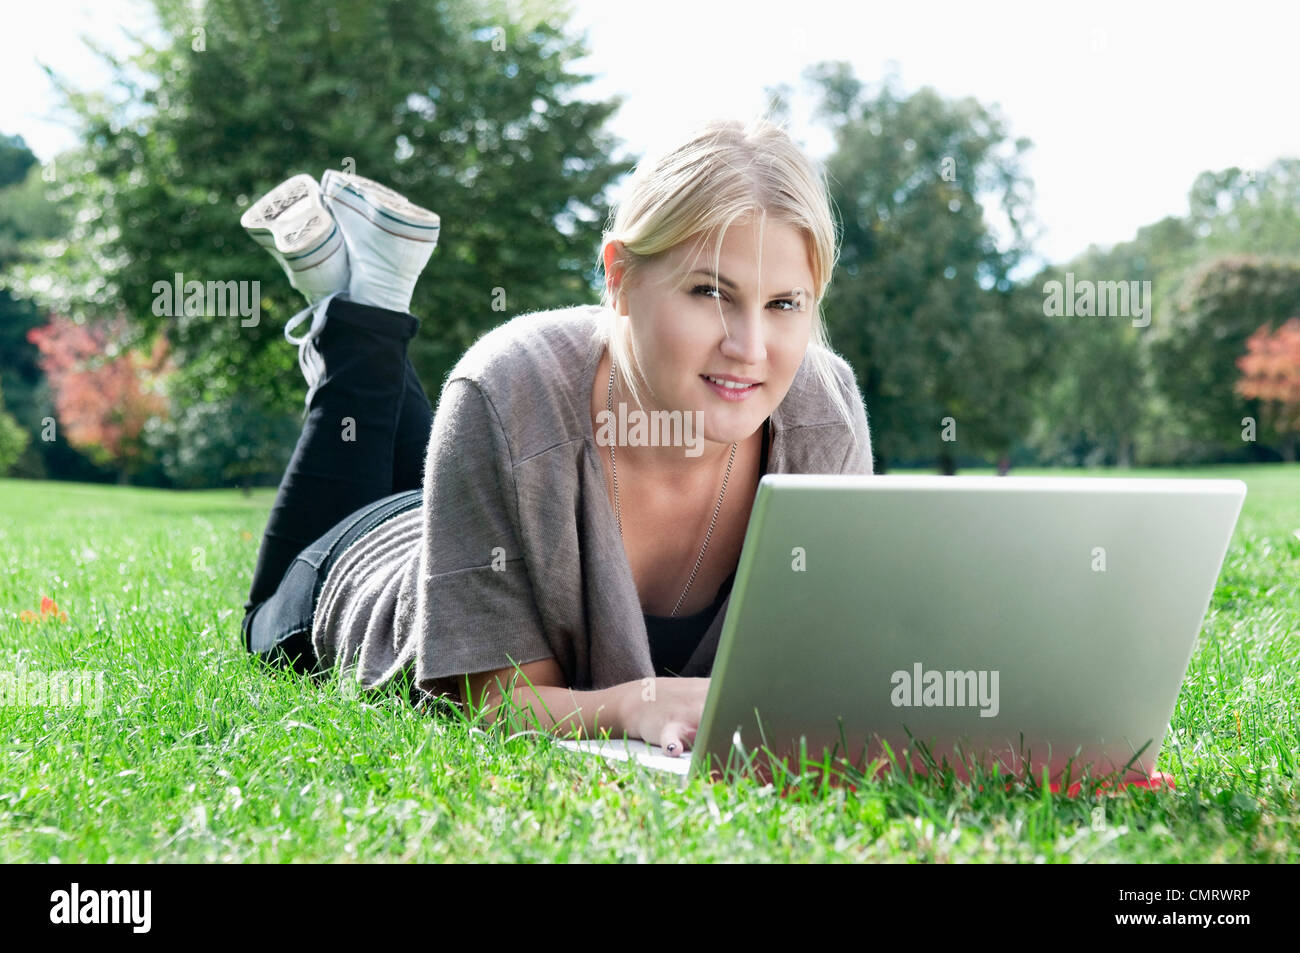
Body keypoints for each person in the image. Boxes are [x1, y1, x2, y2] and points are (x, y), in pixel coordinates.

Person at [239, 116, 874, 758]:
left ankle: (365, 295)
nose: (749, 349)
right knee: (263, 610)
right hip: (369, 558)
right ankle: (360, 310)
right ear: (619, 279)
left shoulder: (827, 417)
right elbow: (493, 700)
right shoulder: (509, 388)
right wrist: (633, 704)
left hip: (478, 500)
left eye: (784, 304)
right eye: (710, 292)